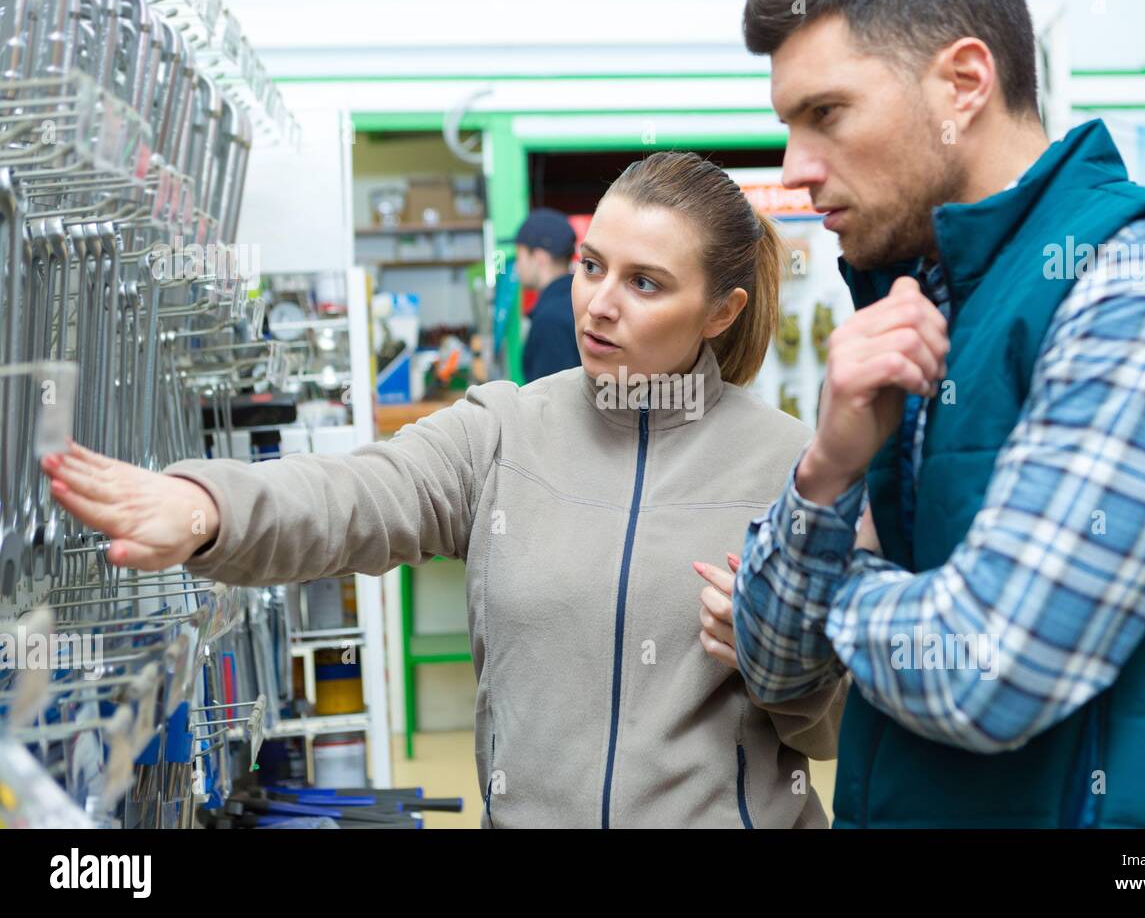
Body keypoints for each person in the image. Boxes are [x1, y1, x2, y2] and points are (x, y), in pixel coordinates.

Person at [42, 151, 847, 829]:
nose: (598, 305)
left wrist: (779, 661)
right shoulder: (503, 430)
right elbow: (357, 494)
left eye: (645, 284)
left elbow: (839, 723)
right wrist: (209, 508)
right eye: (591, 265)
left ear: (720, 311)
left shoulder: (790, 468)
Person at [722, 0, 1145, 827]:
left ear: (963, 83)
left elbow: (987, 669)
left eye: (827, 114)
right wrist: (830, 470)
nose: (795, 167)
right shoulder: (920, 307)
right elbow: (773, 670)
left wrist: (816, 588)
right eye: (789, 124)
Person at [512, 207, 582, 382]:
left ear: (540, 257)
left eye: (519, 257)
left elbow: (549, 404)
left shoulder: (550, 320)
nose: (516, 266)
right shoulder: (578, 302)